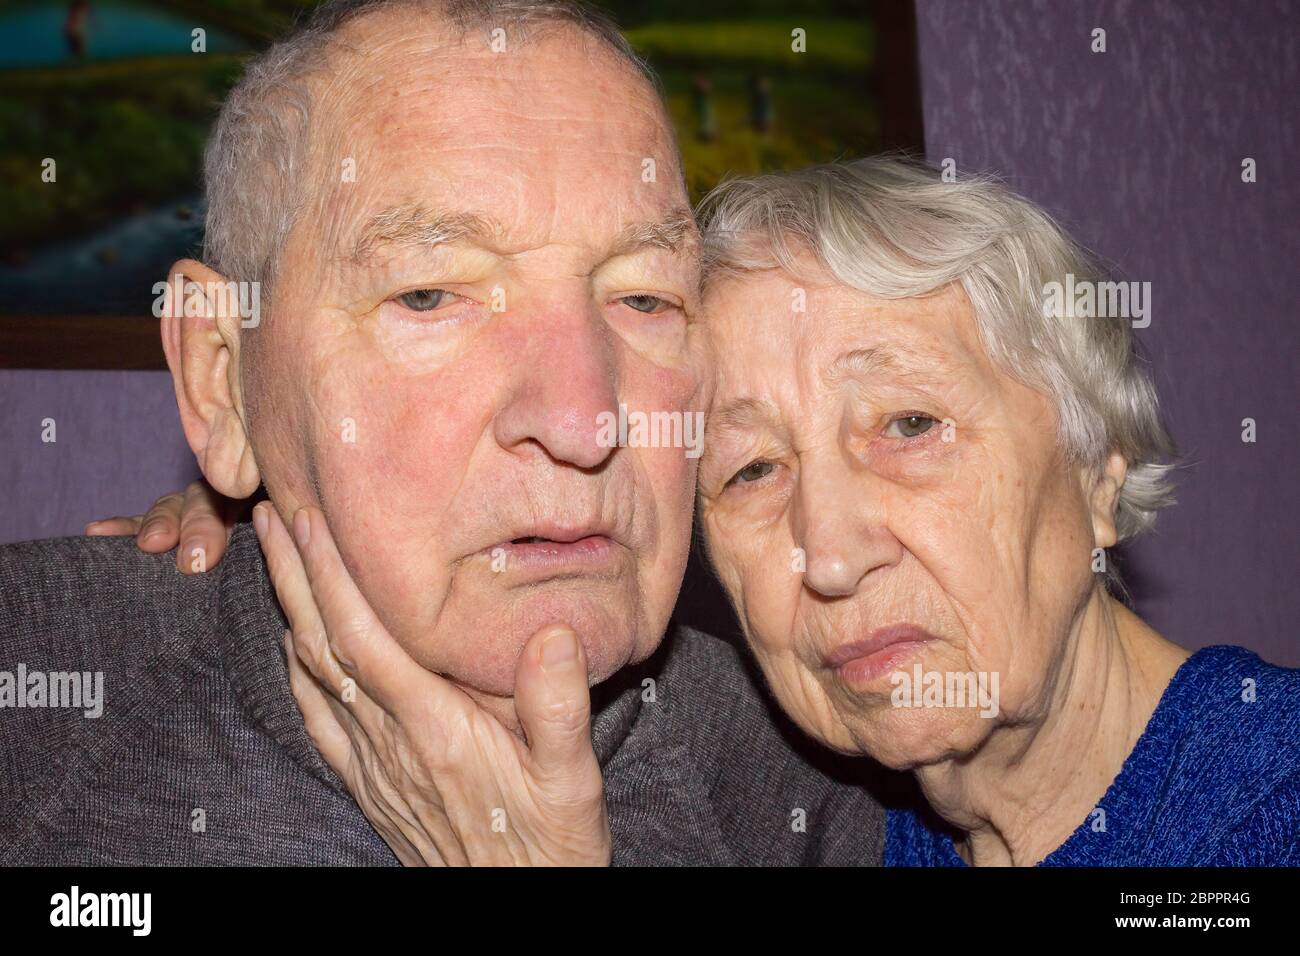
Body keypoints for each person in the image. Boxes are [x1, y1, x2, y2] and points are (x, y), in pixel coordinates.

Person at [137, 156, 1300, 866]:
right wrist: (258, 492)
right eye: (749, 471)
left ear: (1099, 469)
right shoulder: (816, 811)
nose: (830, 553)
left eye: (908, 426)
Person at [0, 0, 885, 867]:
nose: (584, 421)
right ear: (222, 380)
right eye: (429, 296)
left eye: (645, 297)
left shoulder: (818, 775)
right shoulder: (34, 695)